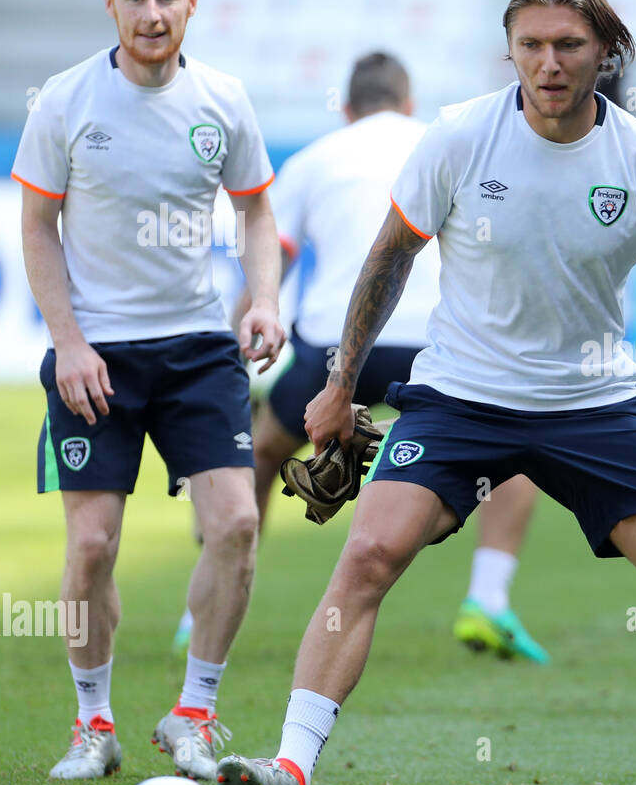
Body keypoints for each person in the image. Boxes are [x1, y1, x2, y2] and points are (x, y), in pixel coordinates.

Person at [215, 0, 636, 785]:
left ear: (605, 51)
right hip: (461, 394)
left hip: (594, 403)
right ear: (511, 51)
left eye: (569, 45)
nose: (549, 63)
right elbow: (386, 262)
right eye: (531, 45)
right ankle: (291, 770)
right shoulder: (460, 134)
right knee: (370, 551)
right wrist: (340, 384)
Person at [15, 0, 286, 779]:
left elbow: (255, 213)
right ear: (112, 3)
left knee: (239, 522)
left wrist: (267, 299)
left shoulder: (224, 100)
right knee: (93, 545)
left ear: (192, 2)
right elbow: (35, 225)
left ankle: (194, 716)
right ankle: (93, 725)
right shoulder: (64, 100)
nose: (152, 11)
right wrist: (68, 343)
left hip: (199, 347)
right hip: (95, 354)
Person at [170, 52, 548, 663]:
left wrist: (233, 345)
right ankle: (488, 598)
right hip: (433, 343)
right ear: (407, 102)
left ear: (346, 110)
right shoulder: (439, 143)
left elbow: (275, 259)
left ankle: (202, 608)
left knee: (261, 452)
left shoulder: (316, 157)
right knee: (518, 451)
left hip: (334, 346)